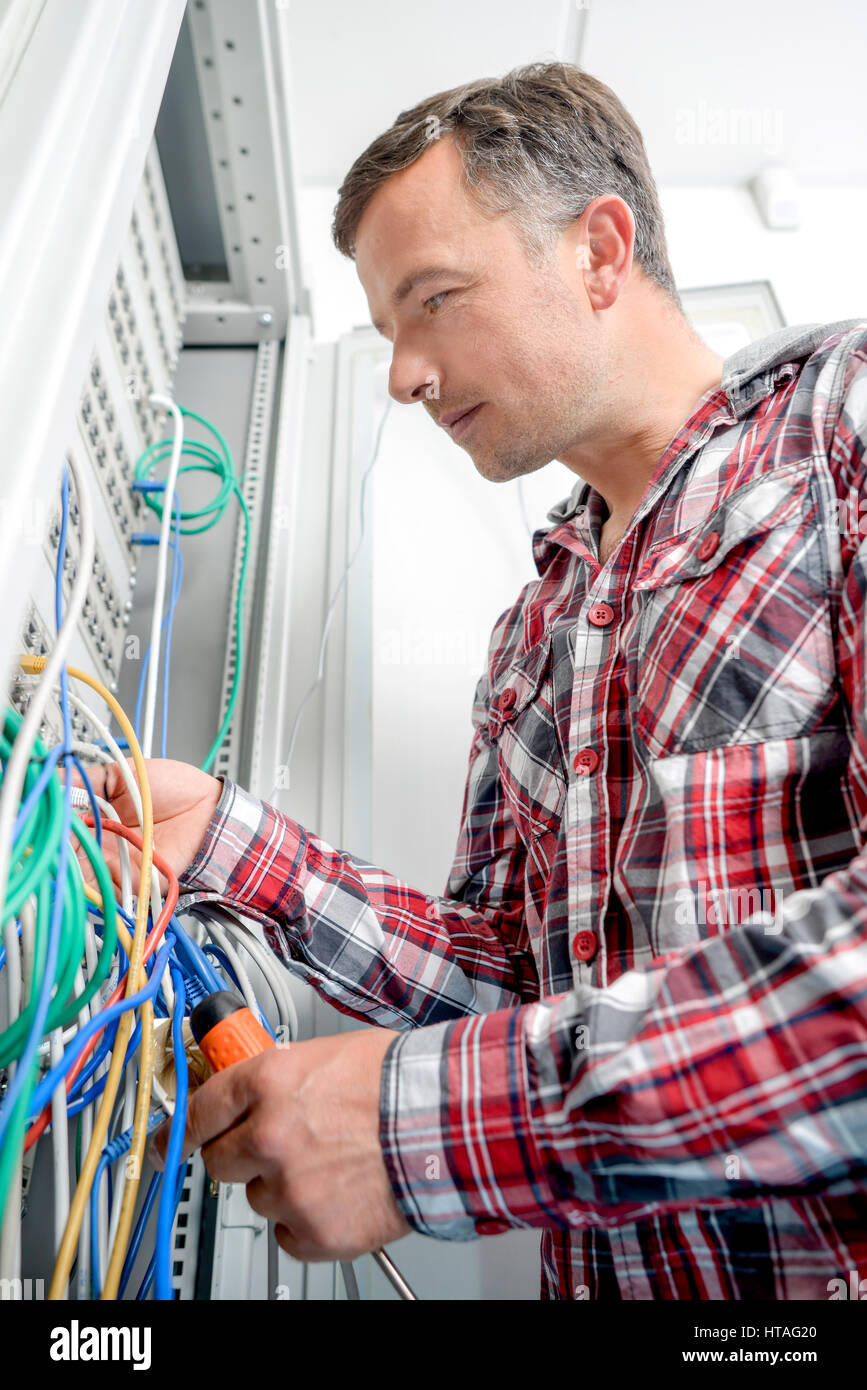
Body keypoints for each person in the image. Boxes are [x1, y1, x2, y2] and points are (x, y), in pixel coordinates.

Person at [72, 62, 867, 1300]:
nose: (401, 375)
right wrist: (229, 839)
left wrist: (427, 1127)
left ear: (601, 251)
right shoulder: (530, 636)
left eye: (434, 299)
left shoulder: (840, 434)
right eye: (389, 331)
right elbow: (504, 984)